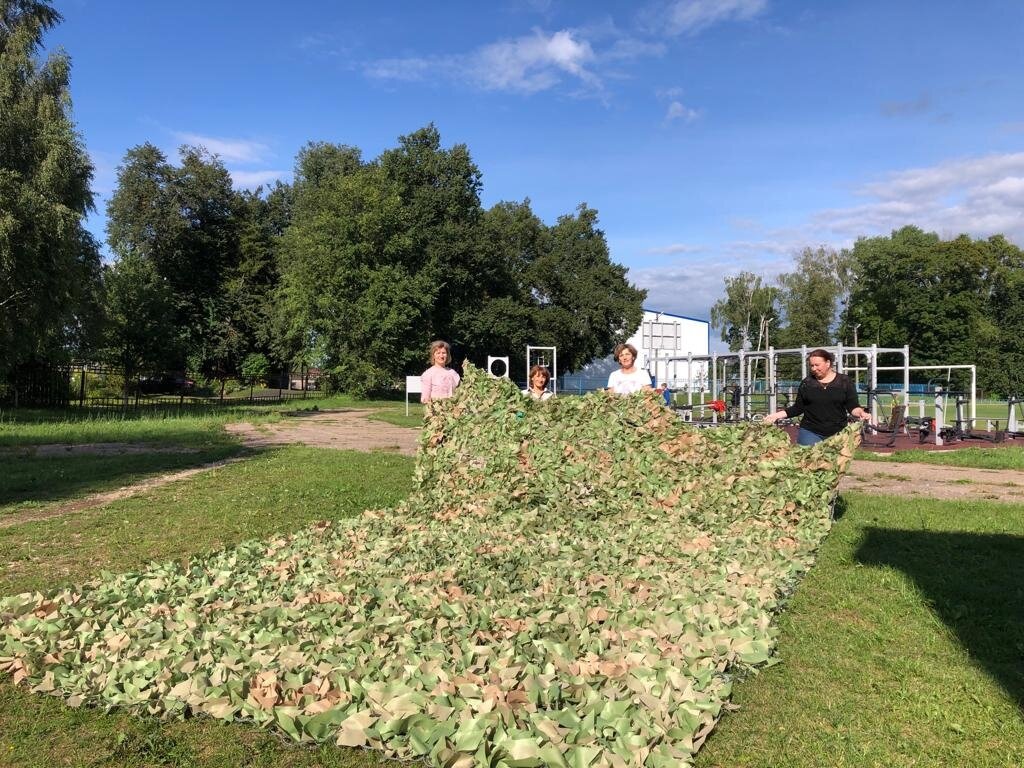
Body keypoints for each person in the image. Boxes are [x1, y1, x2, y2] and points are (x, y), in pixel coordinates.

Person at [764, 348, 870, 445]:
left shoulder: (844, 381)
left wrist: (861, 412)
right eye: (811, 365)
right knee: (809, 463)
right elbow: (797, 408)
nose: (814, 368)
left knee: (835, 465)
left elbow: (852, 406)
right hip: (810, 431)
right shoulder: (807, 383)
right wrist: (776, 416)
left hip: (838, 432)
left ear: (828, 363)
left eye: (817, 365)